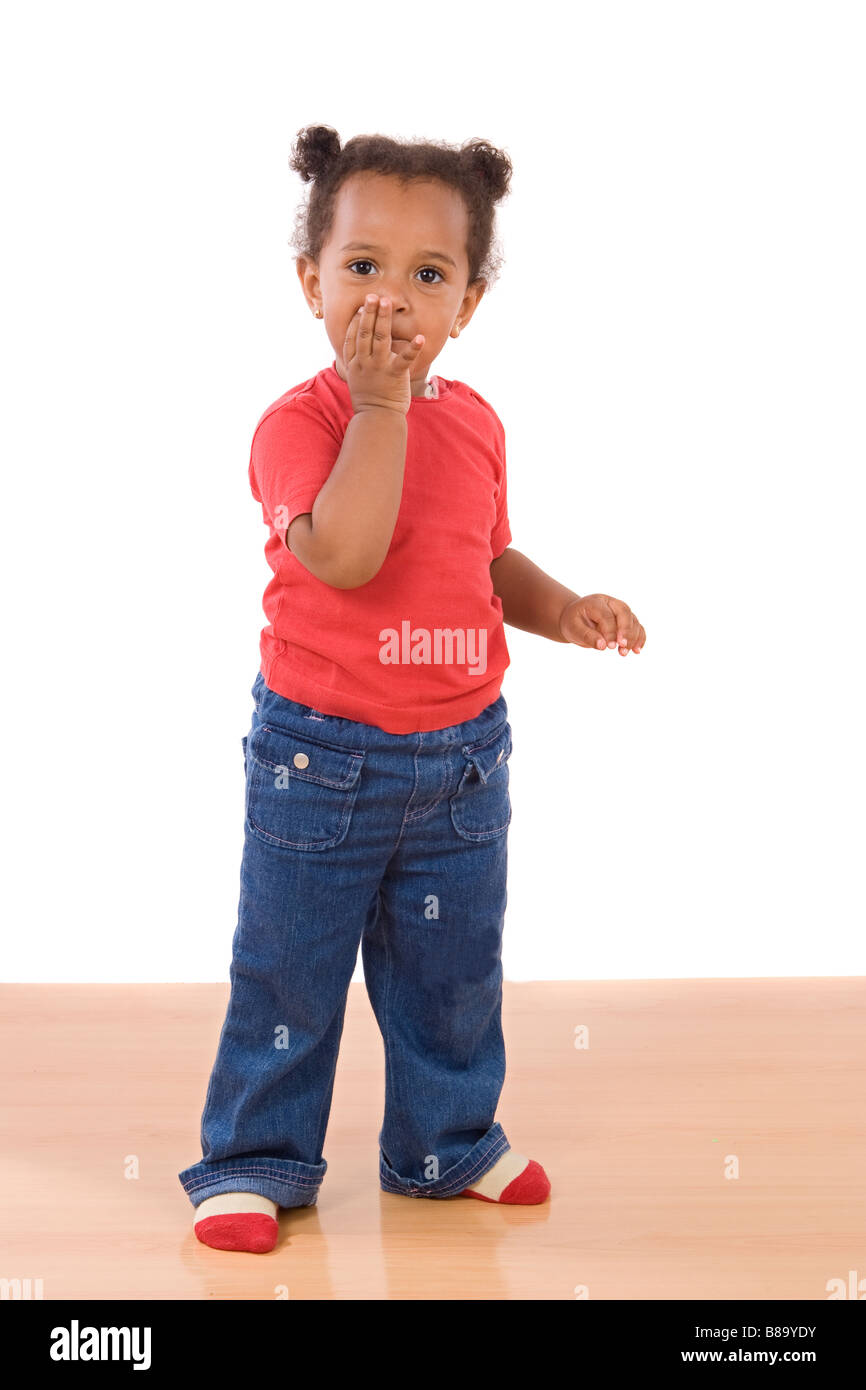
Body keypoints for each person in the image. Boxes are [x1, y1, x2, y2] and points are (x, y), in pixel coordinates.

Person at [178, 125, 646, 1253]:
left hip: (461, 760)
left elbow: (487, 561)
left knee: (451, 974)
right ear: (310, 282)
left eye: (426, 275)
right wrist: (377, 408)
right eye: (362, 267)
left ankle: (446, 1144)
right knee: (289, 969)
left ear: (466, 304)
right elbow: (340, 552)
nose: (390, 298)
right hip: (321, 759)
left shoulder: (477, 421)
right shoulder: (302, 424)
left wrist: (564, 607)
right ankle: (252, 1160)